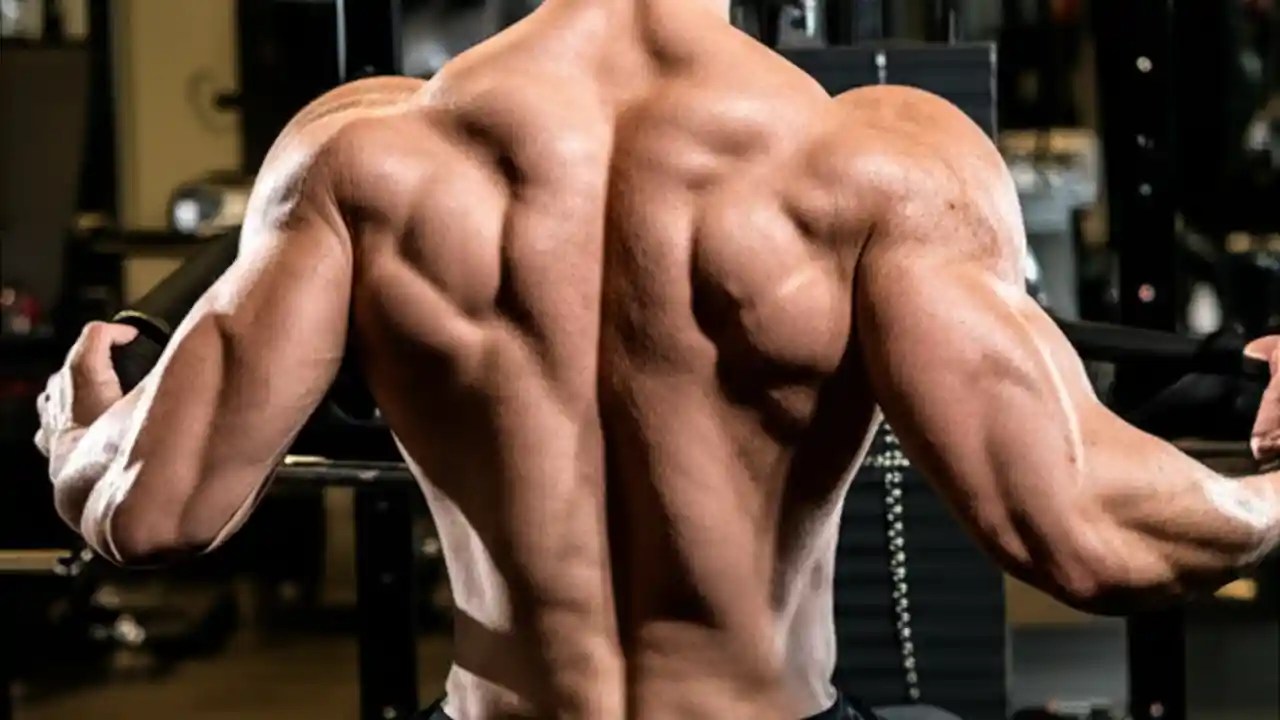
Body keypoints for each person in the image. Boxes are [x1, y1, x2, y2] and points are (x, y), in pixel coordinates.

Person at [34, 1, 1280, 718]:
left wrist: (76, 433)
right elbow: (1085, 533)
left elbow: (148, 515)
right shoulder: (870, 161)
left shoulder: (363, 159)